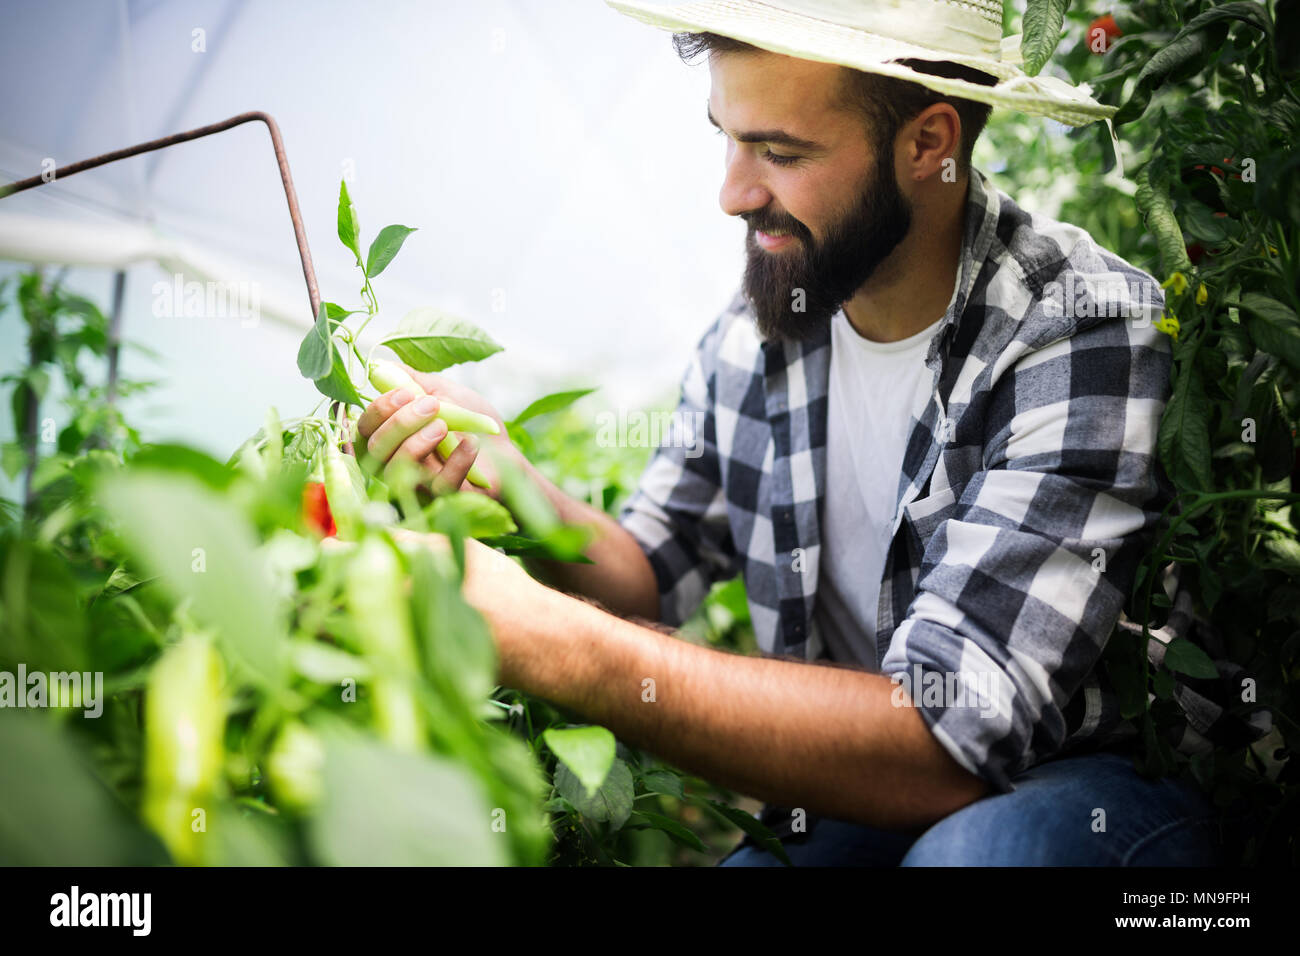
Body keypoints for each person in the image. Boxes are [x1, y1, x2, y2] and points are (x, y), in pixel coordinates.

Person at [355, 0, 1220, 865]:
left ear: (929, 144)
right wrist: (508, 483)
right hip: (868, 788)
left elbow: (944, 742)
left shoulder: (1077, 327)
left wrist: (553, 643)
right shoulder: (766, 324)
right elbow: (652, 573)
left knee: (979, 857)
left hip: (1087, 784)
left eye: (780, 152)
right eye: (727, 138)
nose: (732, 192)